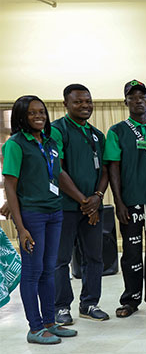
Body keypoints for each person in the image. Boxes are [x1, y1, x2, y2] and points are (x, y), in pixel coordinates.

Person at [2, 95, 76, 344]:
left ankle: (49, 322)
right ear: (21, 116)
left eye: (41, 112)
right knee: (32, 272)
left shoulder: (50, 141)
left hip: (54, 212)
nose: (38, 116)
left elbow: (54, 174)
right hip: (32, 216)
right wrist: (21, 227)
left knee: (48, 270)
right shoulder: (15, 144)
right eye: (32, 113)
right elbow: (10, 185)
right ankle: (34, 328)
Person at [103, 80, 146, 318]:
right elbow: (113, 168)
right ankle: (130, 300)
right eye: (133, 97)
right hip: (129, 203)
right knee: (131, 253)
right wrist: (119, 201)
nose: (138, 101)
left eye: (142, 97)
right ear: (126, 102)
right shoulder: (117, 131)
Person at [51, 84, 110, 324]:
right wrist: (84, 201)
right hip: (65, 207)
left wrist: (97, 197)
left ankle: (89, 304)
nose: (85, 106)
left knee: (94, 257)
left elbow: (105, 170)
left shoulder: (97, 135)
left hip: (93, 207)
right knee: (60, 259)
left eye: (88, 101)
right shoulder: (57, 130)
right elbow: (58, 170)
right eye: (78, 102)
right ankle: (61, 307)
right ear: (65, 104)